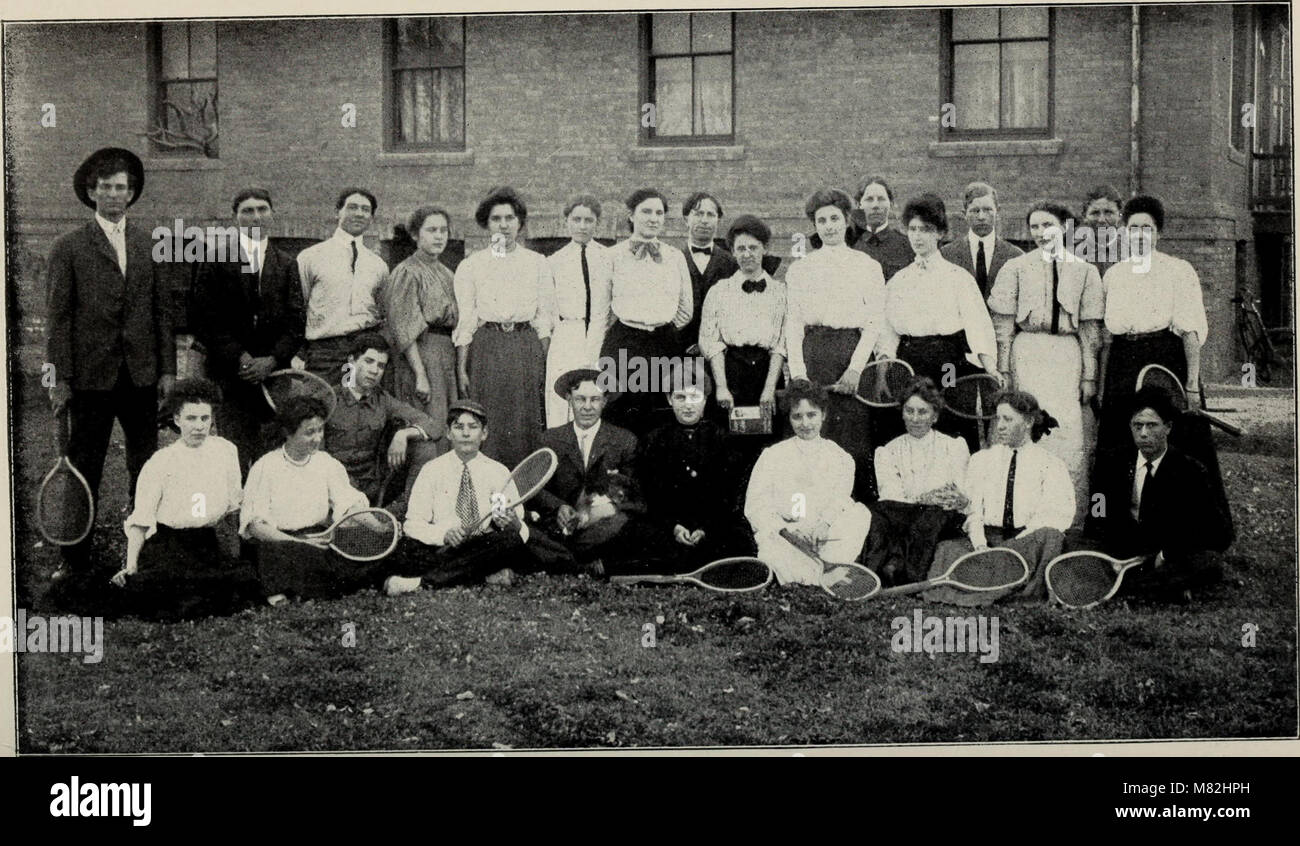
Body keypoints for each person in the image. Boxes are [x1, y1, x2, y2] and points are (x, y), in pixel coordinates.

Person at [45, 147, 175, 578]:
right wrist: (59, 378)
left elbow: (162, 312)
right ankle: (74, 557)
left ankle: (144, 549)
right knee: (85, 466)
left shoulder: (148, 243)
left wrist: (168, 371)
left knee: (145, 465)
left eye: (122, 188)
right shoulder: (68, 247)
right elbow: (58, 319)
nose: (114, 195)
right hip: (90, 380)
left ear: (131, 193)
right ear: (91, 191)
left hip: (140, 377)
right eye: (106, 188)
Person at [1092, 194, 1227, 513]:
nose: (1139, 234)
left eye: (1147, 228)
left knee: (1177, 438)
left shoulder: (1178, 270)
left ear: (1158, 234)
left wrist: (1192, 385)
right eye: (1133, 227)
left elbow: (1190, 331)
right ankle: (1116, 526)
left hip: (1165, 360)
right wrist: (1101, 386)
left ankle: (1187, 523)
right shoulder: (1113, 275)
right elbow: (1107, 338)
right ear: (1123, 231)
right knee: (1122, 440)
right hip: (1124, 362)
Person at [987, 201, 1104, 526]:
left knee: (1066, 434)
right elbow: (1003, 326)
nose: (1040, 233)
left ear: (1065, 227)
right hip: (1027, 354)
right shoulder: (1016, 267)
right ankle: (1018, 515)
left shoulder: (1085, 271)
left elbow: (1090, 331)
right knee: (1025, 428)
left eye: (1047, 225)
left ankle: (1071, 519)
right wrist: (1005, 369)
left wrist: (1089, 376)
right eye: (1035, 226)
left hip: (1066, 358)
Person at [112, 379, 259, 618]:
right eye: (191, 418)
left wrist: (233, 553)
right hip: (170, 544)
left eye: (205, 418)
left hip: (207, 543)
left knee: (242, 580)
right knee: (170, 590)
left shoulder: (225, 451)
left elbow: (233, 508)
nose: (199, 426)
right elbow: (141, 520)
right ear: (177, 419)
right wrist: (131, 566)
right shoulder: (161, 461)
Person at [190, 187, 306, 475]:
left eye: (262, 209)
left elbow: (296, 321)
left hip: (273, 377)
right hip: (231, 376)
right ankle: (235, 516)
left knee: (272, 452)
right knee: (234, 453)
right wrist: (240, 357)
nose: (256, 217)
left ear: (272, 215)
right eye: (248, 211)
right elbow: (204, 319)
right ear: (236, 218)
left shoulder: (287, 263)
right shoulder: (215, 260)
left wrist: (272, 360)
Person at [784, 188, 890, 500]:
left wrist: (856, 369)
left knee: (852, 442)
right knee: (811, 435)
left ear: (846, 221)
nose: (829, 226)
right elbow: (794, 322)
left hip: (850, 355)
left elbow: (873, 322)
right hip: (813, 354)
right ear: (814, 225)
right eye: (821, 220)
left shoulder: (867, 265)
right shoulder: (800, 268)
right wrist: (799, 373)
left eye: (834, 218)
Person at [925, 391, 1074, 606]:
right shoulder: (982, 460)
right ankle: (997, 580)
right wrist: (979, 546)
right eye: (997, 419)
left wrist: (1017, 543)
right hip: (989, 541)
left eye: (1008, 419)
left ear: (1028, 422)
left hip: (1026, 543)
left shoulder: (1051, 464)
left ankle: (1006, 585)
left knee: (1051, 537)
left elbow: (1055, 514)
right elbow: (974, 509)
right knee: (947, 549)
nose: (1000, 426)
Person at [1087, 388, 1233, 601]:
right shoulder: (1110, 464)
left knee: (1208, 562)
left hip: (1167, 553)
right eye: (1137, 426)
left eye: (1152, 425)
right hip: (1122, 548)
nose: (1143, 433)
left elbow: (1214, 532)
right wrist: (1104, 546)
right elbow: (1096, 514)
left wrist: (1167, 554)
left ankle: (1137, 587)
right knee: (1073, 543)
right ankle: (1157, 588)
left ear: (1168, 428)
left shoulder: (1191, 470)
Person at [882, 194, 1000, 453]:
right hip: (910, 361)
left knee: (951, 426)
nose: (918, 236)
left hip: (949, 362)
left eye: (926, 230)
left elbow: (978, 326)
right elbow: (888, 330)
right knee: (911, 426)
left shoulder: (958, 278)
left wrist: (991, 368)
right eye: (913, 229)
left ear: (940, 233)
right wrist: (886, 364)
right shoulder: (899, 281)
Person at [453, 186, 555, 467]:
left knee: (526, 419)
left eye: (510, 218)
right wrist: (462, 366)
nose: (504, 224)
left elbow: (544, 318)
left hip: (525, 345)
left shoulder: (537, 263)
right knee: (491, 418)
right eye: (497, 218)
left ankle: (528, 496)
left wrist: (542, 359)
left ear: (520, 223)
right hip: (488, 346)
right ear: (487, 223)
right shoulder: (472, 265)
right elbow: (467, 320)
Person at [240, 395, 378, 603]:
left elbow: (349, 504)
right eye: (309, 432)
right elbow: (256, 527)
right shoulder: (265, 466)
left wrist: (380, 528)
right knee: (273, 554)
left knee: (349, 548)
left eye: (320, 430)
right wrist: (299, 541)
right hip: (278, 541)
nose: (317, 438)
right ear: (287, 432)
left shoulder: (326, 463)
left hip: (319, 536)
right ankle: (291, 590)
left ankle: (294, 589)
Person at [384, 399, 531, 594]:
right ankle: (482, 575)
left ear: (484, 433)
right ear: (448, 433)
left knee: (509, 540)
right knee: (406, 550)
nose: (466, 433)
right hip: (443, 548)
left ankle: (420, 583)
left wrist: (510, 521)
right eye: (458, 426)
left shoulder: (498, 472)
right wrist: (443, 534)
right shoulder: (431, 470)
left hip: (481, 545)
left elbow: (516, 523)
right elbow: (412, 524)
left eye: (473, 427)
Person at [744, 380, 873, 587]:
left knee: (859, 513)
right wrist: (787, 529)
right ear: (789, 418)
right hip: (786, 536)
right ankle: (818, 577)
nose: (805, 423)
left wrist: (824, 525)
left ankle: (824, 569)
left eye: (811, 415)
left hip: (824, 536)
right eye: (797, 416)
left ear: (823, 415)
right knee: (773, 549)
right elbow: (756, 505)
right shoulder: (773, 455)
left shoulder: (841, 458)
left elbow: (840, 500)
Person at [590, 188, 693, 438]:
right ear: (631, 216)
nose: (653, 218)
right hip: (625, 342)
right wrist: (594, 359)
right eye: (646, 211)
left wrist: (661, 326)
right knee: (621, 410)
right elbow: (600, 313)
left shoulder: (674, 256)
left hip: (664, 343)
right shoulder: (611, 256)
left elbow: (686, 310)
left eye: (659, 213)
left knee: (663, 411)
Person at [637, 368, 753, 572]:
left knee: (737, 541)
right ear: (669, 400)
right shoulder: (654, 440)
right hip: (670, 526)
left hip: (710, 525)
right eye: (680, 397)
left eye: (694, 396)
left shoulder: (722, 439)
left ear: (706, 399)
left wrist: (705, 528)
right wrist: (673, 527)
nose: (688, 405)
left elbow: (730, 494)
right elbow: (650, 493)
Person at [533, 367, 646, 573]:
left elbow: (634, 493)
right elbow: (536, 488)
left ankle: (567, 561)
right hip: (562, 524)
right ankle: (579, 562)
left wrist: (606, 508)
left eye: (594, 400)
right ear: (569, 399)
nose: (587, 407)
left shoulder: (624, 440)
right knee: (528, 533)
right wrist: (558, 507)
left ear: (605, 401)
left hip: (605, 524)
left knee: (630, 529)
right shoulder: (550, 439)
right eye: (580, 399)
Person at [699, 213, 786, 476]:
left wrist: (769, 389)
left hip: (766, 374)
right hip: (729, 372)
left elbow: (782, 343)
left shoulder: (781, 291)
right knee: (728, 447)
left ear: (765, 249)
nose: (747, 254)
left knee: (765, 448)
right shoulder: (719, 291)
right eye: (741, 248)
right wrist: (722, 388)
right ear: (733, 252)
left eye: (753, 247)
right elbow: (710, 340)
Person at [862, 377, 970, 586]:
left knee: (933, 515)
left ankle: (906, 574)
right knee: (878, 512)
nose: (915, 418)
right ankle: (873, 574)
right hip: (903, 513)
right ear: (902, 413)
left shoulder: (954, 446)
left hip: (942, 515)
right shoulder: (889, 451)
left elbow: (959, 488)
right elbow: (890, 497)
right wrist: (922, 499)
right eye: (909, 411)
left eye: (923, 412)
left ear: (935, 416)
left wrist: (942, 500)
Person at [324, 332, 440, 516]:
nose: (374, 370)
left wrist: (403, 434)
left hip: (370, 486)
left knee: (426, 448)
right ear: (352, 361)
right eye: (368, 361)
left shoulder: (383, 400)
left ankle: (411, 515)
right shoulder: (329, 398)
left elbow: (433, 425)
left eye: (381, 365)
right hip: (333, 487)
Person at [379, 205, 458, 439]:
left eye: (443, 230)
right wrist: (420, 374)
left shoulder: (447, 273)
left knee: (447, 421)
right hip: (421, 355)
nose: (439, 236)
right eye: (431, 230)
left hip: (446, 354)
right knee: (427, 421)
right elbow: (403, 326)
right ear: (415, 235)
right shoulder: (406, 272)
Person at [296, 187, 389, 383]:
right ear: (337, 211)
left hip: (364, 349)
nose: (359, 213)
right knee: (321, 405)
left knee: (356, 405)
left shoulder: (378, 265)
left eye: (365, 209)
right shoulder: (310, 257)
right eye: (352, 207)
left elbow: (381, 310)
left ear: (371, 217)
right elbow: (298, 307)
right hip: (325, 351)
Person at [544, 195, 613, 428]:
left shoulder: (608, 257)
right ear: (567, 222)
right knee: (561, 401)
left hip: (599, 334)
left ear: (597, 223)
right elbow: (548, 310)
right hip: (566, 335)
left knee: (593, 396)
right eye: (577, 219)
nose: (582, 226)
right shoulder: (554, 261)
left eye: (589, 220)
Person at [940, 181, 1023, 299]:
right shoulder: (946, 255)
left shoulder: (1015, 256)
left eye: (987, 210)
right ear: (964, 214)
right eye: (975, 211)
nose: (981, 217)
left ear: (997, 212)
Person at [679, 191, 738, 354]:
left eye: (710, 215)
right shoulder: (673, 260)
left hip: (720, 353)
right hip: (679, 352)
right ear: (686, 219)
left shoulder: (731, 263)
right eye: (698, 214)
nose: (704, 220)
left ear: (718, 220)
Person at [850, 176, 915, 282]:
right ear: (858, 205)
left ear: (891, 204)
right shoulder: (851, 246)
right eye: (869, 199)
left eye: (881, 199)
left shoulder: (908, 246)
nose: (875, 205)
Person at [1081, 184, 1125, 280]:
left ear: (1120, 216)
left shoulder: (1132, 252)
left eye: (1108, 212)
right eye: (1095, 213)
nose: (1101, 220)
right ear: (1084, 217)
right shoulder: (1072, 253)